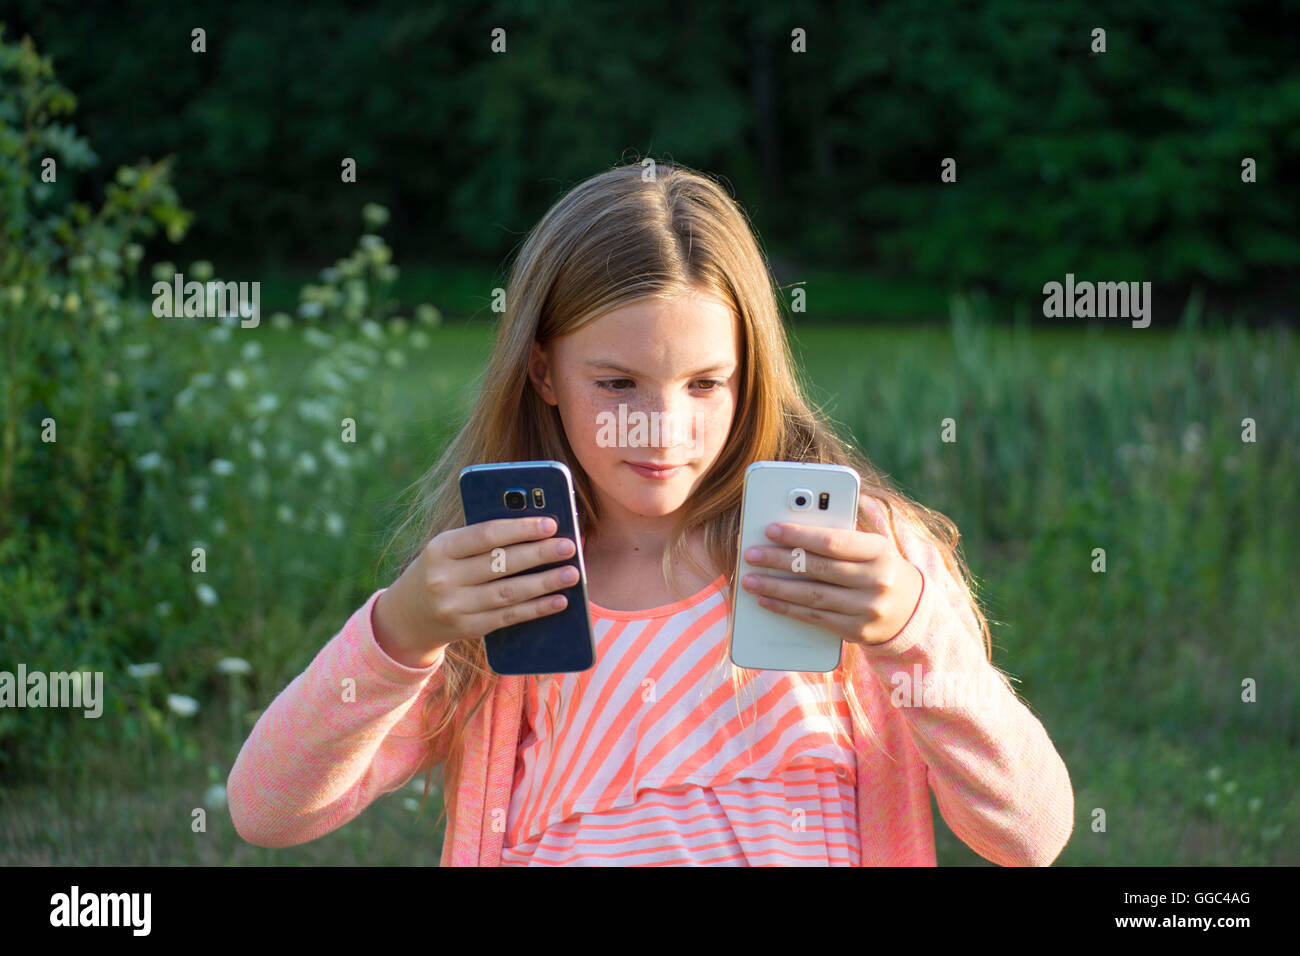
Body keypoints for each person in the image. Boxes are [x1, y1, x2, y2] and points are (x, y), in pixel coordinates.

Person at [227, 161, 1074, 865]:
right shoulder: (504, 577)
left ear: (752, 372)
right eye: (617, 383)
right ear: (543, 372)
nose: (662, 428)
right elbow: (269, 810)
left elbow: (1030, 835)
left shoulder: (859, 556)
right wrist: (400, 632)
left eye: (705, 383)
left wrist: (910, 633)